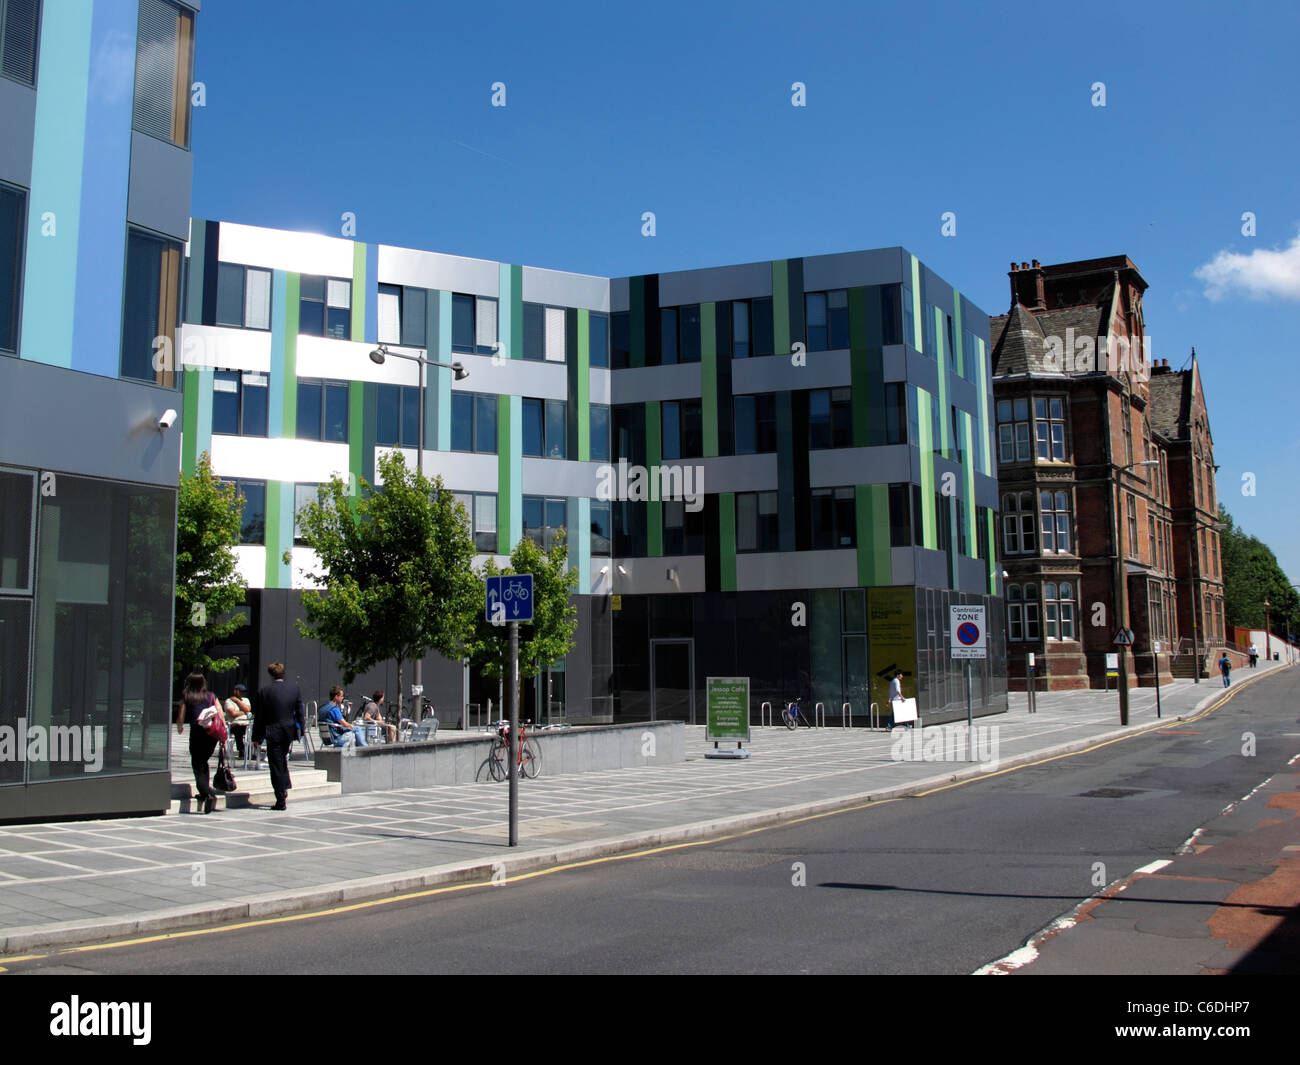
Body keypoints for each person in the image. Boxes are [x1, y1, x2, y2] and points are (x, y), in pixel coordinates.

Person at [253, 662, 305, 810]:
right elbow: (300, 711)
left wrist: (256, 737)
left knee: (276, 764)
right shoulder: (294, 689)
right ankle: (285, 784)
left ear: (270, 675)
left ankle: (280, 798)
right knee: (281, 759)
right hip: (288, 731)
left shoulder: (264, 691)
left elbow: (259, 717)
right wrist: (300, 729)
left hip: (273, 731)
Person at [176, 672, 221, 814]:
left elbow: (181, 715)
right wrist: (222, 735)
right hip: (211, 734)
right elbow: (220, 713)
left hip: (197, 733)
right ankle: (204, 791)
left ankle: (208, 794)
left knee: (197, 763)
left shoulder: (186, 696)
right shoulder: (211, 695)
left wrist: (180, 727)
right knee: (203, 762)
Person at [224, 683, 253, 759]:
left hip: (246, 722)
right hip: (234, 723)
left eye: (243, 691)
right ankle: (241, 750)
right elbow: (233, 713)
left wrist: (237, 701)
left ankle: (252, 750)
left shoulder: (246, 700)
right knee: (238, 729)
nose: (242, 693)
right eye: (241, 691)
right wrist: (244, 712)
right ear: (235, 691)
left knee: (254, 729)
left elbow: (248, 709)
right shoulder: (229, 701)